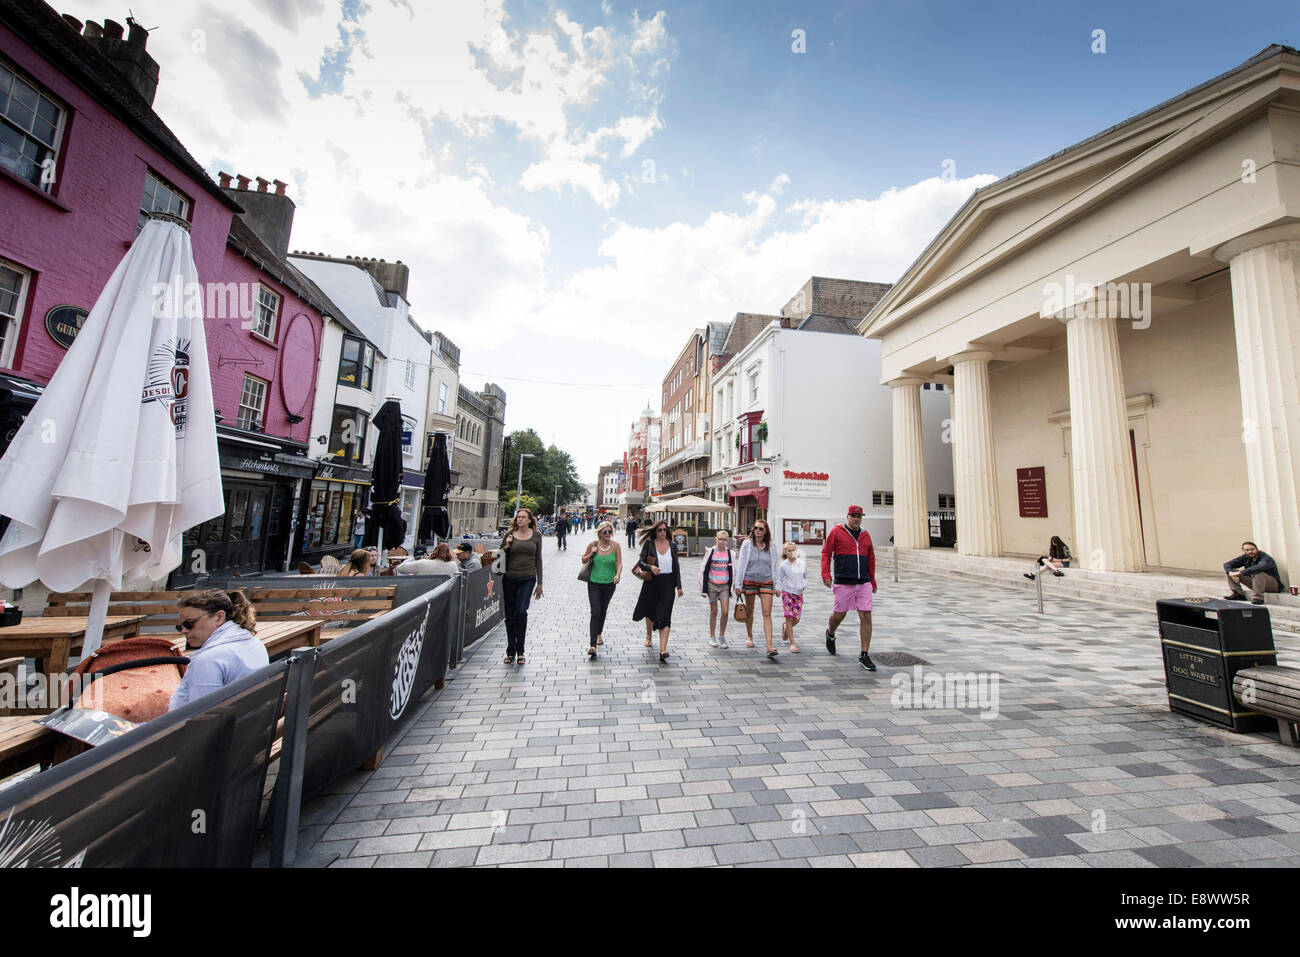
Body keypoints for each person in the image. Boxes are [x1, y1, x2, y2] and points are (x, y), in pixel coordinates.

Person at [169, 590, 269, 711]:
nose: (183, 630)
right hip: (248, 723)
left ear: (219, 617)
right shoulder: (255, 644)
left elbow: (201, 718)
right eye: (180, 626)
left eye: (190, 623)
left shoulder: (208, 660)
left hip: (210, 727)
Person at [820, 505, 877, 671]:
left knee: (866, 615)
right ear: (847, 516)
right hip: (844, 581)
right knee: (839, 615)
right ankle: (830, 633)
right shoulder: (837, 532)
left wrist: (872, 581)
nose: (856, 519)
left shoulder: (866, 535)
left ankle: (864, 654)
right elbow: (826, 553)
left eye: (859, 516)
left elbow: (871, 558)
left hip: (863, 582)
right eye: (853, 516)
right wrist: (826, 575)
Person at [632, 519, 682, 662]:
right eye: (659, 530)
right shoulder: (649, 544)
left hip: (668, 583)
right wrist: (651, 568)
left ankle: (663, 649)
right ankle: (648, 635)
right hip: (652, 582)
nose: (662, 532)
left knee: (665, 614)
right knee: (651, 612)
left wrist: (679, 586)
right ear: (655, 531)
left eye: (664, 530)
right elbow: (641, 562)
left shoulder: (672, 545)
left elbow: (676, 566)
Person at [500, 508, 544, 664]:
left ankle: (521, 650)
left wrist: (540, 583)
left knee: (521, 612)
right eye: (518, 517)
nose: (520, 520)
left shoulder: (536, 536)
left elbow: (538, 559)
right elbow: (500, 555)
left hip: (528, 578)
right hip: (510, 577)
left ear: (530, 520)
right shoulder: (509, 534)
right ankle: (510, 650)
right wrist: (507, 545)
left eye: (523, 517)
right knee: (510, 615)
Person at [736, 519, 779, 657]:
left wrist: (777, 585)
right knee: (750, 611)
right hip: (749, 580)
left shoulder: (771, 545)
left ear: (766, 531)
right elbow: (741, 564)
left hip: (766, 580)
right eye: (756, 528)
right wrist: (738, 584)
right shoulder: (747, 544)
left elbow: (776, 565)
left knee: (767, 613)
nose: (758, 530)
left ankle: (770, 646)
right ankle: (750, 636)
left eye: (761, 528)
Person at [582, 521, 622, 657]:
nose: (607, 534)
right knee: (595, 611)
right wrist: (590, 554)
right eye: (604, 532)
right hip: (594, 583)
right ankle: (592, 645)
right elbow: (583, 560)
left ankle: (599, 633)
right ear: (599, 533)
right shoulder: (592, 545)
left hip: (610, 583)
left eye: (609, 532)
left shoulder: (616, 546)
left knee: (603, 610)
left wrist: (617, 574)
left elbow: (619, 562)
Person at [699, 529, 735, 649]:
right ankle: (712, 636)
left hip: (724, 585)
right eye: (720, 539)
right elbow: (703, 569)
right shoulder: (710, 552)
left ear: (728, 541)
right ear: (716, 539)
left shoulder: (730, 554)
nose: (722, 541)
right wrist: (703, 588)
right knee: (714, 611)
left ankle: (722, 635)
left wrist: (734, 586)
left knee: (725, 611)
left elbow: (734, 570)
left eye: (725, 539)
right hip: (712, 585)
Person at [776, 542, 807, 654]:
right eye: (789, 550)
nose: (792, 552)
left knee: (797, 618)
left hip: (798, 594)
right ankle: (792, 642)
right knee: (789, 616)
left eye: (793, 550)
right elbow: (779, 579)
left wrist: (804, 585)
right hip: (787, 593)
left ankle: (786, 627)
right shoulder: (783, 565)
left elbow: (805, 576)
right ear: (785, 552)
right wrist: (778, 589)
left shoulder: (802, 564)